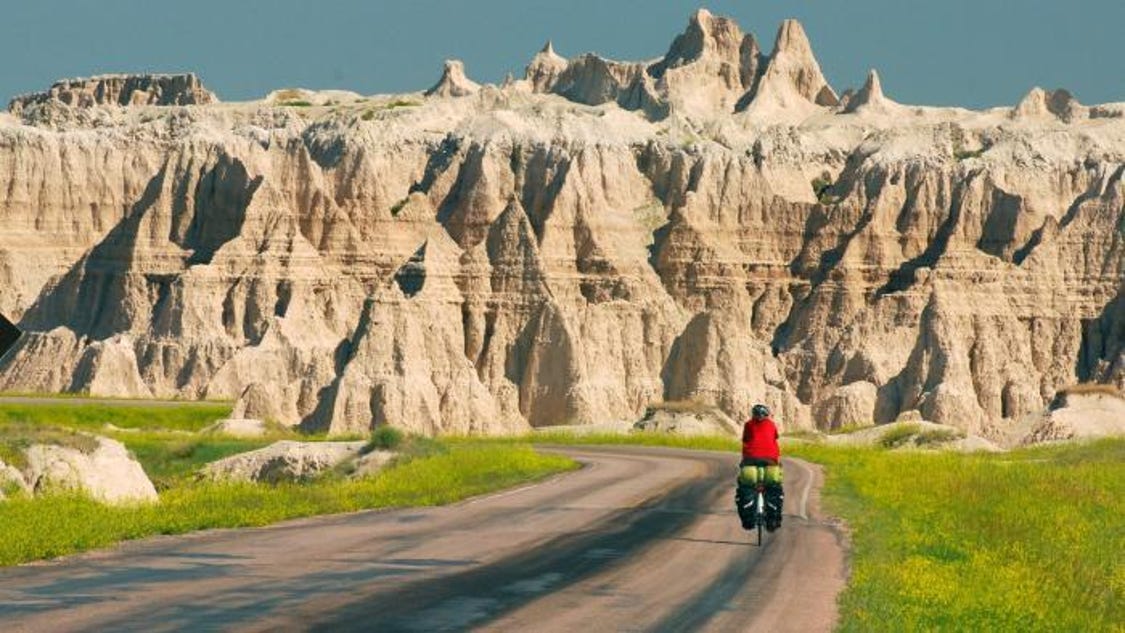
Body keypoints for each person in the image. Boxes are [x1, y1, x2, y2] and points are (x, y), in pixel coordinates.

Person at [736, 403, 784, 531]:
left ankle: (748, 521)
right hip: (770, 461)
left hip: (750, 460)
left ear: (753, 415)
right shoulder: (772, 424)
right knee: (775, 489)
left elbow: (745, 440)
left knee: (744, 487)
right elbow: (775, 438)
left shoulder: (748, 424)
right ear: (767, 415)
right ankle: (773, 521)